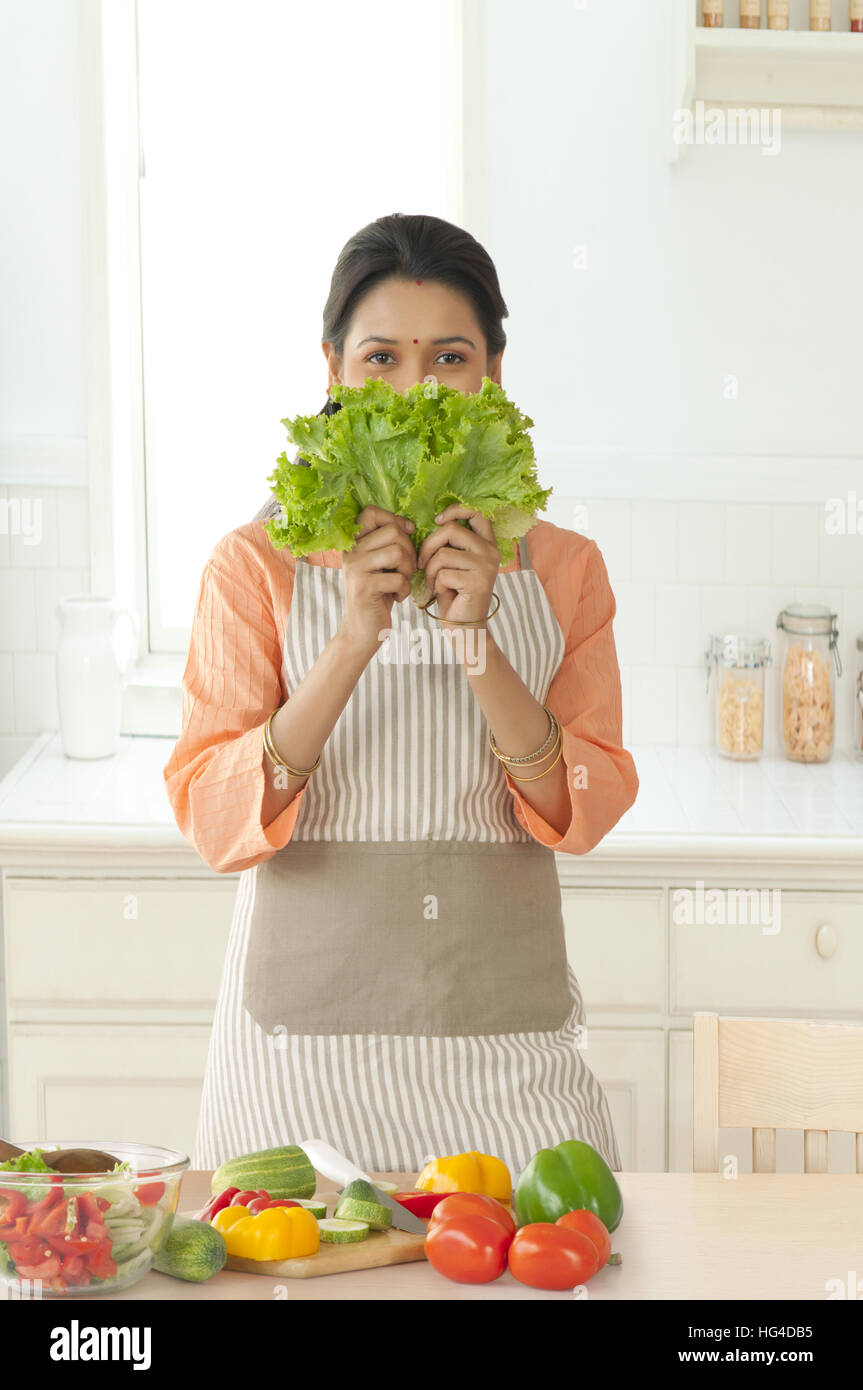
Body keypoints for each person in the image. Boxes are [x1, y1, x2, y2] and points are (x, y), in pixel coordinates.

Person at [163, 212, 639, 1179]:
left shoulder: (563, 568)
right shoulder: (252, 565)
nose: (415, 386)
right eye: (381, 356)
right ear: (333, 370)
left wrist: (479, 641)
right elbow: (216, 823)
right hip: (296, 1072)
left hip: (506, 1062)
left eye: (449, 356)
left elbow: (582, 812)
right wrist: (350, 641)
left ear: (493, 374)